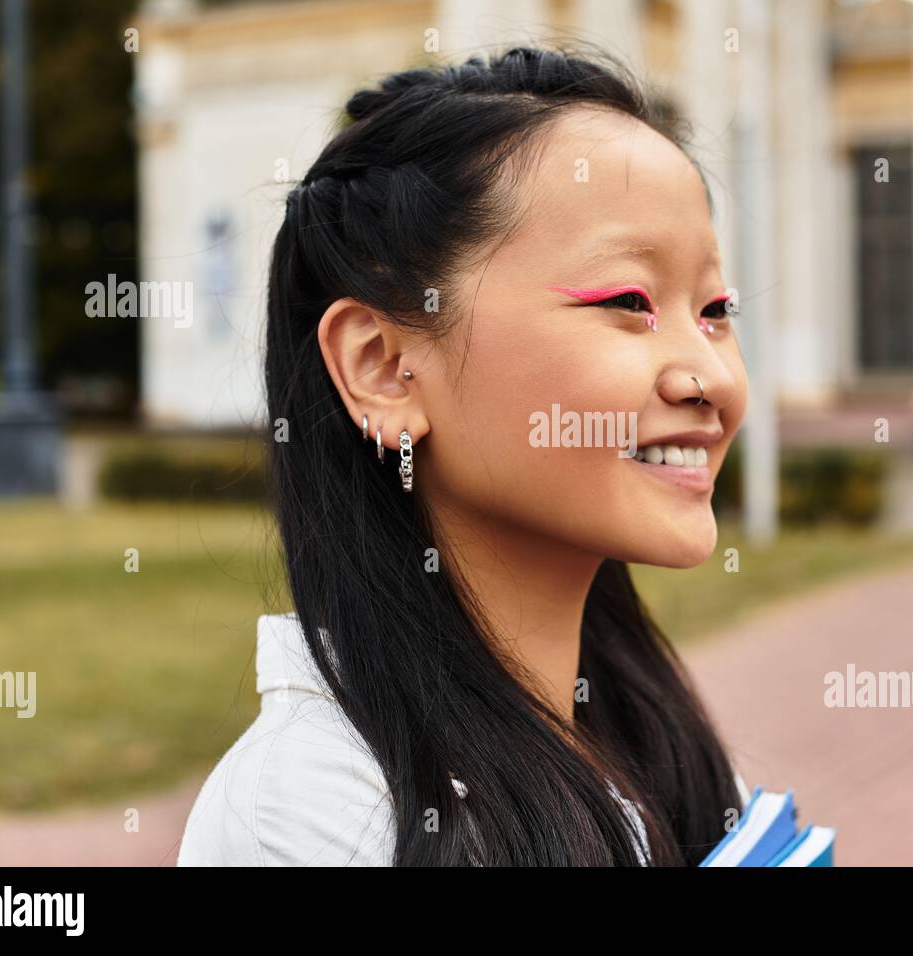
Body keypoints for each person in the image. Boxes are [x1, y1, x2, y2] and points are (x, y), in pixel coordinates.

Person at [179, 45, 752, 866]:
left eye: (716, 308)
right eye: (629, 300)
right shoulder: (314, 819)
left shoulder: (662, 749)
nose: (711, 376)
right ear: (383, 366)